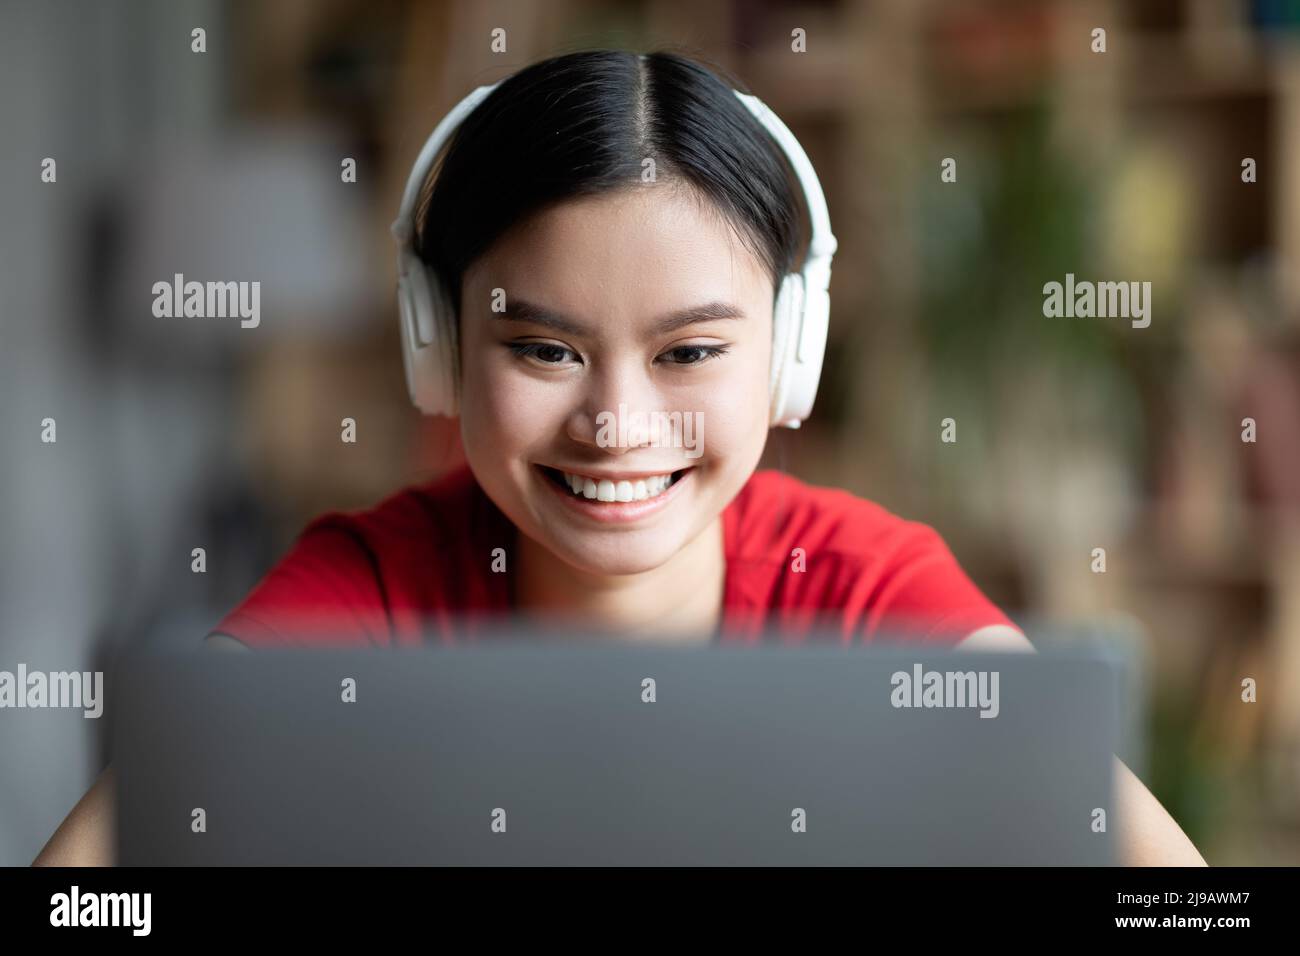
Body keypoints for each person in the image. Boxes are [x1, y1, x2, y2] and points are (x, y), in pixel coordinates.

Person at [33, 49, 1205, 866]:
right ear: (435, 345)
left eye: (689, 350)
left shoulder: (862, 580)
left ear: (787, 355)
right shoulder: (374, 582)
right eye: (543, 348)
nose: (617, 423)